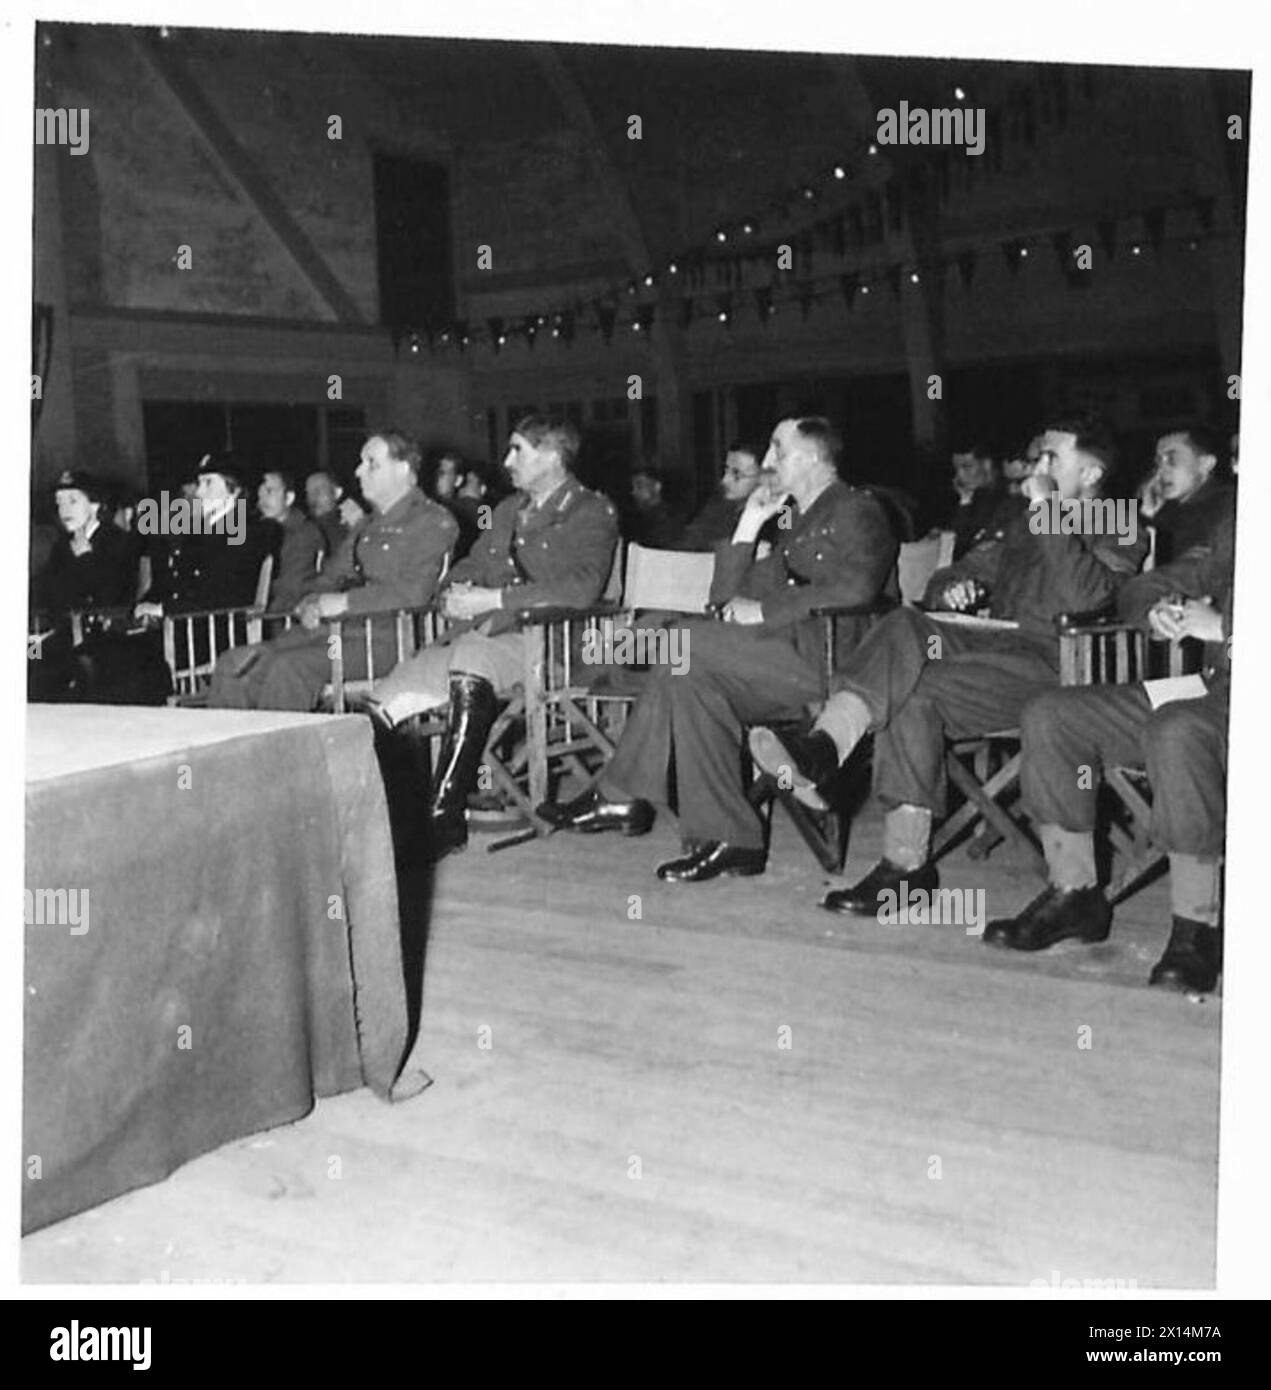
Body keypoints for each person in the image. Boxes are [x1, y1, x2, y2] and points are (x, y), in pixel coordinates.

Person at [748, 415, 1150, 914]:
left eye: (1052, 458)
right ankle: (895, 852)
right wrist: (955, 588)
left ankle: (826, 755)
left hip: (1063, 664)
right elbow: (956, 572)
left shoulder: (1118, 519)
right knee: (906, 654)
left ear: (1091, 475)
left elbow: (1086, 594)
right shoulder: (1020, 521)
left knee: (911, 683)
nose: (1035, 467)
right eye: (1037, 456)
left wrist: (1048, 508)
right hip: (997, 650)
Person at [541, 416, 900, 882]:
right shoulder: (795, 520)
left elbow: (858, 586)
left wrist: (766, 613)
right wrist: (749, 525)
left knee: (680, 643)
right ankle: (732, 839)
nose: (769, 461)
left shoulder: (855, 509)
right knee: (685, 676)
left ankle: (620, 792)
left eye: (778, 449)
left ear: (812, 458)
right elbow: (724, 602)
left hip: (832, 662)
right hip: (777, 658)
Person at [984, 522, 1233, 992]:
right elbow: (1144, 586)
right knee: (1052, 714)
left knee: (1178, 730)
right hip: (1213, 689)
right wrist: (1160, 608)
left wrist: (1225, 627)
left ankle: (1197, 929)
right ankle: (1074, 893)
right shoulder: (1241, 526)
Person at [369, 414, 620, 859]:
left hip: (549, 644)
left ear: (551, 455)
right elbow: (475, 563)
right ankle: (382, 816)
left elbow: (580, 589)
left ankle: (442, 817)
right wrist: (455, 590)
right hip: (484, 637)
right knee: (388, 695)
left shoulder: (591, 511)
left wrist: (494, 599)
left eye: (518, 450)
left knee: (471, 660)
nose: (507, 461)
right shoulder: (508, 510)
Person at [206, 430, 455, 711]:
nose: (359, 471)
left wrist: (345, 603)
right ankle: (234, 755)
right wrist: (312, 600)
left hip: (384, 641)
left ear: (402, 469)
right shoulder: (366, 527)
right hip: (333, 636)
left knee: (288, 669)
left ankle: (284, 755)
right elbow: (329, 576)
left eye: (371, 463)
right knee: (235, 665)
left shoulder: (432, 522)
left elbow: (414, 593)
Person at [29, 470, 146, 702]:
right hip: (60, 636)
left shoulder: (119, 542)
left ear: (94, 506)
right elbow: (42, 590)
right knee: (27, 658)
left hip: (105, 640)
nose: (64, 511)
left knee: (60, 672)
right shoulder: (62, 546)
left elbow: (113, 596)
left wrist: (85, 559)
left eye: (72, 501)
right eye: (59, 503)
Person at [1137, 425, 1235, 567]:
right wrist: (1147, 516)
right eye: (1158, 462)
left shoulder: (1227, 508)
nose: (1161, 471)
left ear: (1205, 464)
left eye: (1172, 460)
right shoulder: (1166, 510)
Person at [936, 442, 1022, 559]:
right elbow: (960, 543)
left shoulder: (1010, 496)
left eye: (967, 467)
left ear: (987, 464)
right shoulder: (977, 495)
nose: (960, 475)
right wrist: (965, 500)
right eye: (957, 469)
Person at [673, 442, 765, 551]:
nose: (725, 480)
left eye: (736, 474)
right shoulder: (720, 502)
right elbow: (690, 540)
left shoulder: (785, 511)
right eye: (726, 471)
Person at [257, 468, 325, 613]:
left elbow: (293, 586)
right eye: (259, 494)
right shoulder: (258, 531)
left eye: (269, 491)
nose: (262, 500)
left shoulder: (304, 534)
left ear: (289, 497)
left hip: (289, 617)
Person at [626, 465, 685, 549]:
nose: (634, 492)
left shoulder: (668, 519)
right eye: (633, 487)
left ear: (657, 486)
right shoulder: (638, 519)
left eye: (639, 485)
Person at [305, 469, 354, 560]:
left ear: (336, 492)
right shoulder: (304, 529)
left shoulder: (349, 524)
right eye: (309, 492)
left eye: (319, 490)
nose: (313, 496)